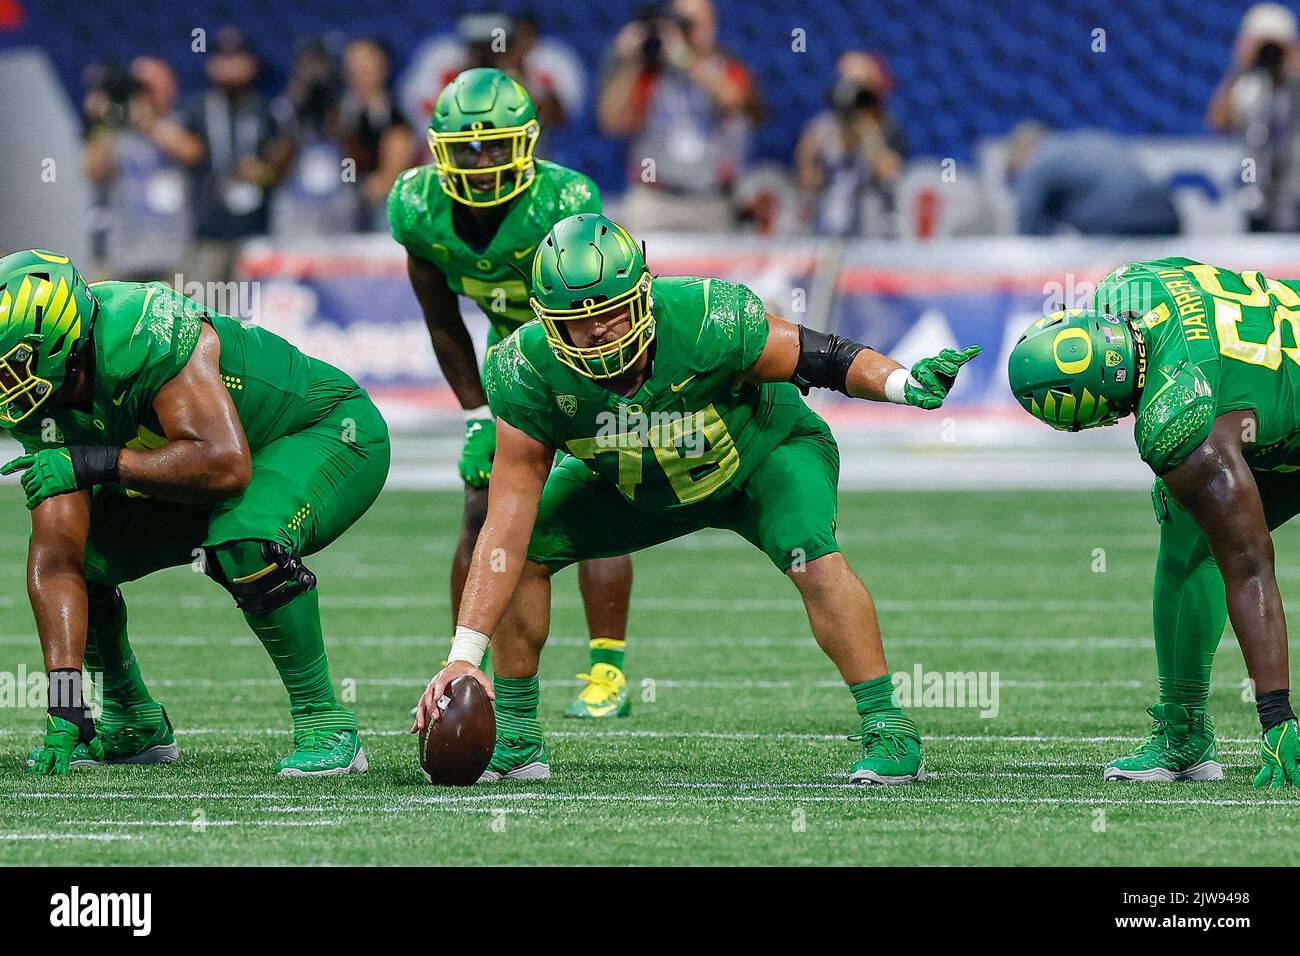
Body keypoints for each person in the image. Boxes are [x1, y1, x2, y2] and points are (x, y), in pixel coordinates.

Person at [411, 212, 981, 784]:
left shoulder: (706, 316)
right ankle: (516, 734)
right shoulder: (525, 370)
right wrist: (465, 653)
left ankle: (887, 726)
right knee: (527, 550)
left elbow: (823, 356)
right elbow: (505, 525)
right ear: (545, 322)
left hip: (760, 458)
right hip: (636, 480)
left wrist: (901, 383)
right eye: (579, 321)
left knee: (811, 554)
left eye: (611, 309)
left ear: (644, 293)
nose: (602, 330)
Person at [0, 249, 390, 776]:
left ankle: (325, 720)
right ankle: (130, 717)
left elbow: (225, 465)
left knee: (245, 538)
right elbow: (56, 556)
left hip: (324, 431)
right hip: (211, 466)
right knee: (85, 553)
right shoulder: (39, 402)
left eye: (11, 364)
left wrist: (98, 461)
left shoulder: (143, 333)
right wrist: (64, 695)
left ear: (57, 342)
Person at [388, 69, 635, 719]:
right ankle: (466, 665)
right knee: (481, 504)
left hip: (582, 355)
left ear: (527, 142)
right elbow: (441, 319)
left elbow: (590, 305)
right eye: (466, 147)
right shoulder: (416, 207)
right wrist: (476, 415)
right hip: (510, 366)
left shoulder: (565, 200)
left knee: (593, 496)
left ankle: (608, 670)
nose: (480, 161)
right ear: (438, 148)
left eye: (495, 144)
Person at [1008, 259, 1300, 787]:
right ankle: (1184, 732)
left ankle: (1223, 733)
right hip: (1276, 383)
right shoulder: (1130, 283)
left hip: (1274, 411)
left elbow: (1250, 567)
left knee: (1220, 542)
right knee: (1187, 535)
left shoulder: (1178, 419)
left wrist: (1275, 716)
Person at [597, 0, 760, 233]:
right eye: (680, 22)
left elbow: (733, 99)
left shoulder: (728, 66)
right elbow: (611, 123)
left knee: (714, 270)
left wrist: (684, 58)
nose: (687, 31)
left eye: (694, 23)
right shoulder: (649, 72)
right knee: (636, 265)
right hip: (655, 199)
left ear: (712, 25)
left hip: (710, 201)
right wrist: (631, 61)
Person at [81, 57, 191, 281]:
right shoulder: (112, 132)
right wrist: (108, 120)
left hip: (174, 254)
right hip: (122, 253)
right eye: (138, 89)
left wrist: (146, 120)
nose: (143, 96)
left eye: (149, 88)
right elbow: (93, 173)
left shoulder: (181, 120)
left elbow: (190, 153)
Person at [1206, 2, 1300, 230]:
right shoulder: (1247, 88)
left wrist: (1292, 62)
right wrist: (1239, 67)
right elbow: (1217, 122)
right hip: (1258, 196)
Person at [794, 52, 906, 237]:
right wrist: (806, 156)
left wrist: (867, 135)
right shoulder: (823, 127)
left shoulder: (886, 126)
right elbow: (809, 182)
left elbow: (889, 174)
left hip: (871, 225)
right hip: (827, 221)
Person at [1008, 124, 1180, 236]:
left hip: (1119, 219)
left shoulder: (1039, 157)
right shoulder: (1088, 142)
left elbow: (1028, 219)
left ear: (1023, 152)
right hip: (1165, 213)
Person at [337, 38, 414, 230]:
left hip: (375, 202)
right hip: (336, 197)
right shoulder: (336, 114)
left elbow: (391, 175)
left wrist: (363, 189)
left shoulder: (393, 116)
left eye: (366, 65)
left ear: (383, 67)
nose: (359, 72)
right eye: (353, 65)